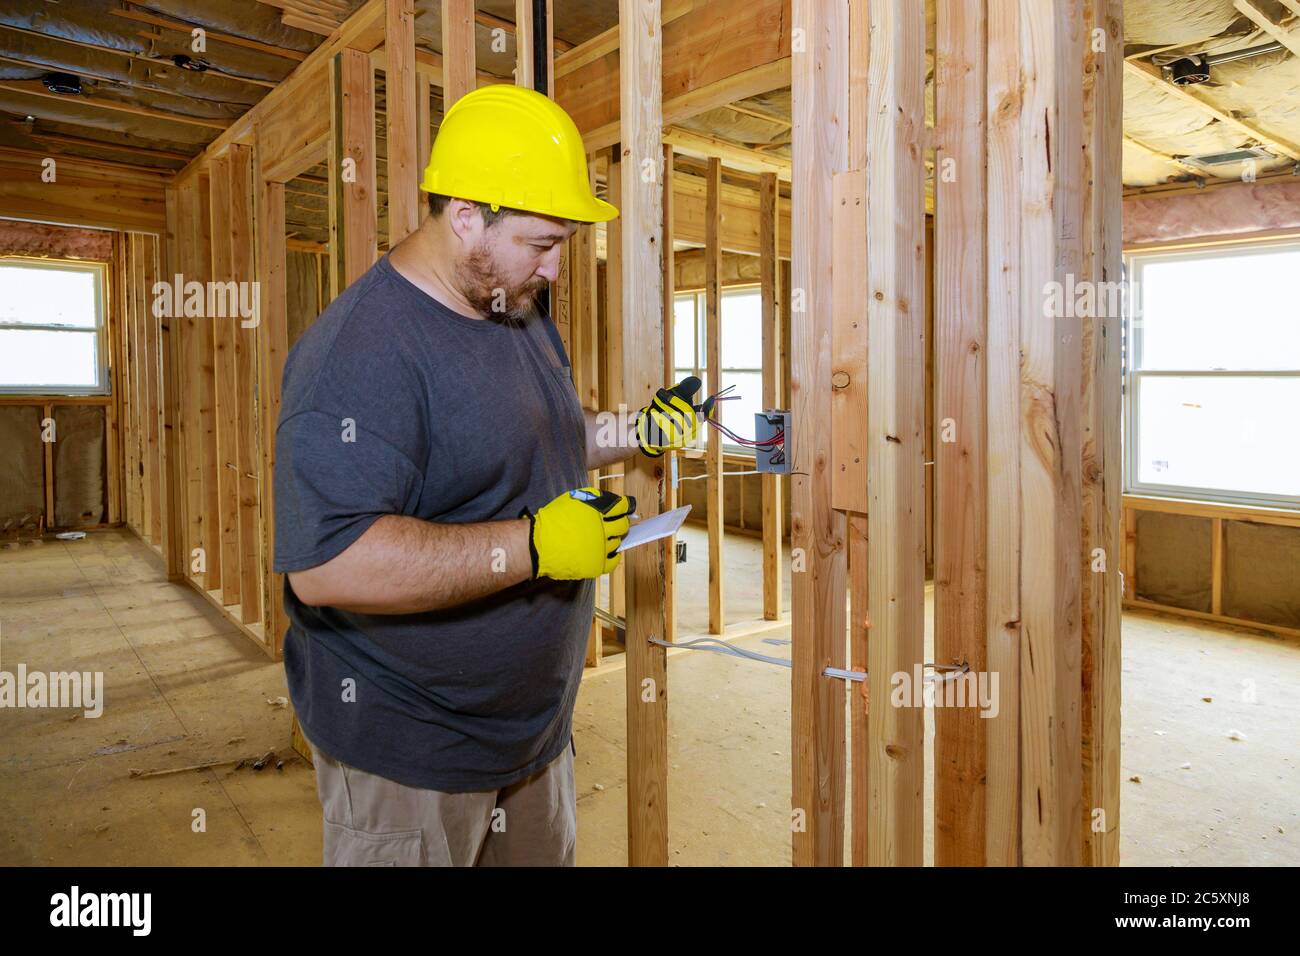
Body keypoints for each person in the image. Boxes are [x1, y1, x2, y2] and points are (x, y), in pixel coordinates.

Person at [272, 84, 701, 866]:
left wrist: (637, 430)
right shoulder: (361, 356)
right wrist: (534, 547)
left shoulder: (516, 308)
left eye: (561, 242)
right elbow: (328, 566)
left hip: (531, 737)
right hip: (414, 754)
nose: (556, 268)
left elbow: (546, 435)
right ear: (467, 214)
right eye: (541, 243)